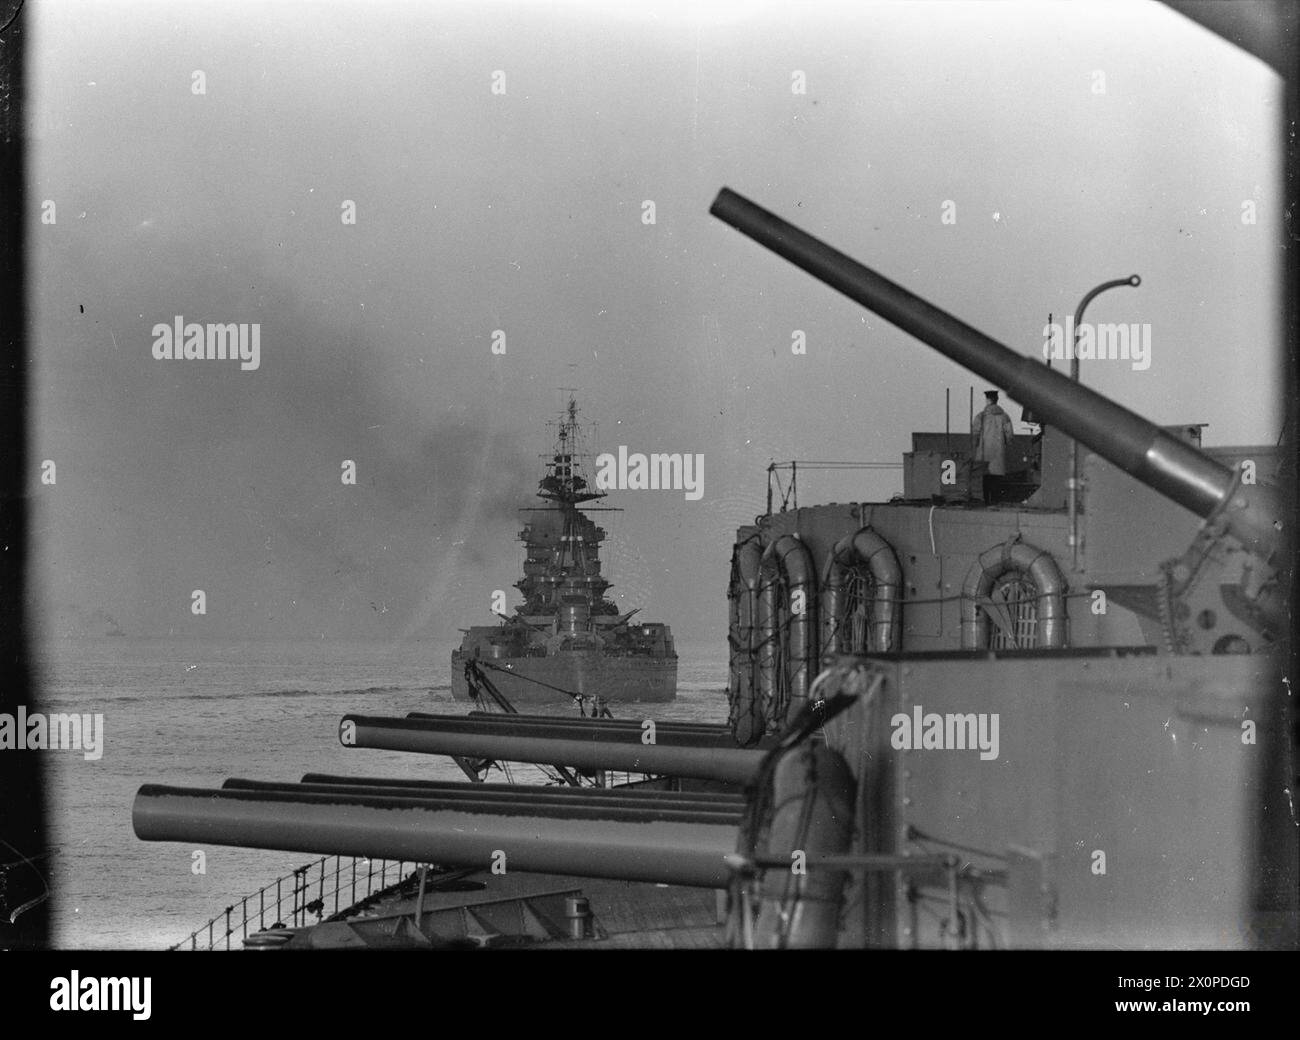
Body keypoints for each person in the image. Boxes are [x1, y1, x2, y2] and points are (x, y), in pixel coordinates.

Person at [971, 390, 1015, 477]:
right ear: (997, 399)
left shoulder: (981, 416)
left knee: (983, 477)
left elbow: (975, 435)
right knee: (997, 477)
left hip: (983, 454)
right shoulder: (1005, 417)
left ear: (987, 400)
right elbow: (1009, 436)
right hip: (999, 454)